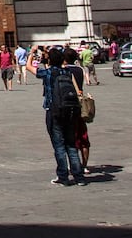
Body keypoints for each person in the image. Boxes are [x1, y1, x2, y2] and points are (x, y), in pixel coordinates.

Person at [41, 45, 87, 185]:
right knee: (71, 145)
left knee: (59, 146)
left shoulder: (48, 73)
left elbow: (32, 68)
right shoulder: (67, 72)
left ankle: (63, 177)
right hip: (70, 111)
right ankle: (79, 177)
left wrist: (34, 55)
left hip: (54, 110)